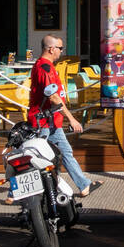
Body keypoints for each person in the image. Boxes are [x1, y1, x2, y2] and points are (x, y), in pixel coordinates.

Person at [26, 35, 95, 198]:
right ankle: (34, 192)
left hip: (52, 121)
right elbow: (53, 97)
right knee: (40, 158)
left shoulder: (46, 66)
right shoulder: (44, 67)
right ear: (51, 49)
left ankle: (83, 185)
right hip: (43, 121)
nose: (62, 52)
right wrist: (71, 118)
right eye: (60, 48)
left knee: (65, 152)